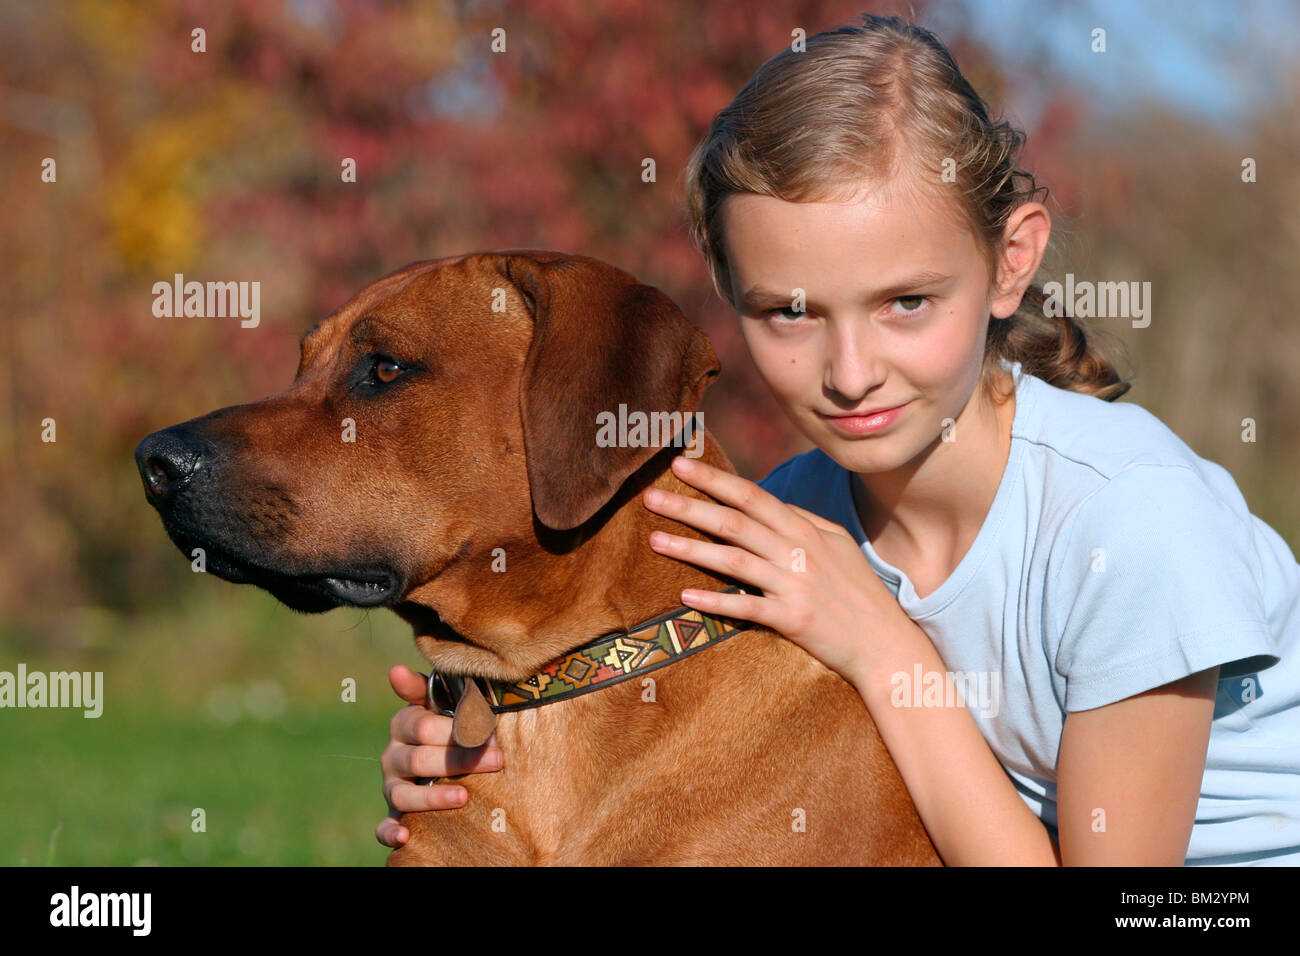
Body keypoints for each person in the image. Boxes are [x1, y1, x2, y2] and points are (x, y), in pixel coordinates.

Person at [376, 14, 1300, 865]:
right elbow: (626, 709)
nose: (850, 372)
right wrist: (478, 734)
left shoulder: (1129, 523)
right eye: (788, 312)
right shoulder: (787, 519)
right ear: (729, 289)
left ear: (1011, 260)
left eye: (907, 302)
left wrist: (885, 652)